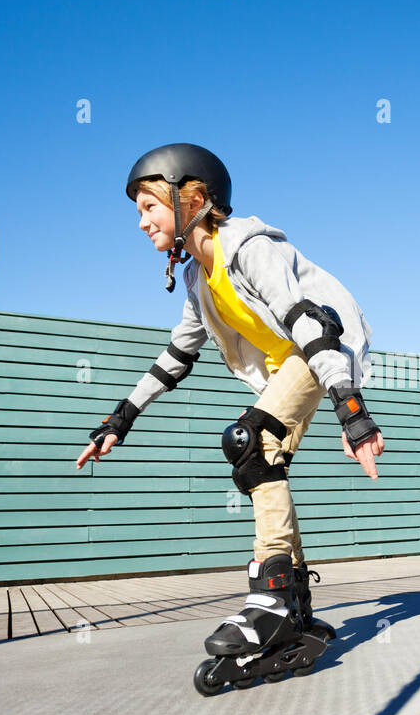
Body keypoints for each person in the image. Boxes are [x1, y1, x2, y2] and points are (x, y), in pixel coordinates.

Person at [76, 142, 384, 664]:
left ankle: (273, 600)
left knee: (250, 444)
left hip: (324, 349)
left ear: (191, 198)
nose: (142, 222)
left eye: (149, 206)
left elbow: (311, 323)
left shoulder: (247, 248)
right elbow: (176, 354)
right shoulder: (198, 280)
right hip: (289, 364)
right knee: (264, 461)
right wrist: (120, 419)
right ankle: (298, 608)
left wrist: (350, 408)